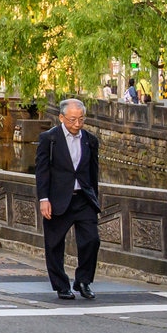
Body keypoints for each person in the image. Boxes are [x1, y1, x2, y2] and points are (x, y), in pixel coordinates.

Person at [32, 97, 100, 300]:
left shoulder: (90, 140)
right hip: (57, 199)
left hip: (83, 199)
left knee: (91, 240)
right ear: (61, 117)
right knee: (54, 244)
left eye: (81, 119)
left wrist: (94, 197)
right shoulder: (49, 139)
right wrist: (44, 198)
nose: (77, 124)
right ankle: (61, 285)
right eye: (72, 120)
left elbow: (93, 171)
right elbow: (42, 171)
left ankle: (83, 281)